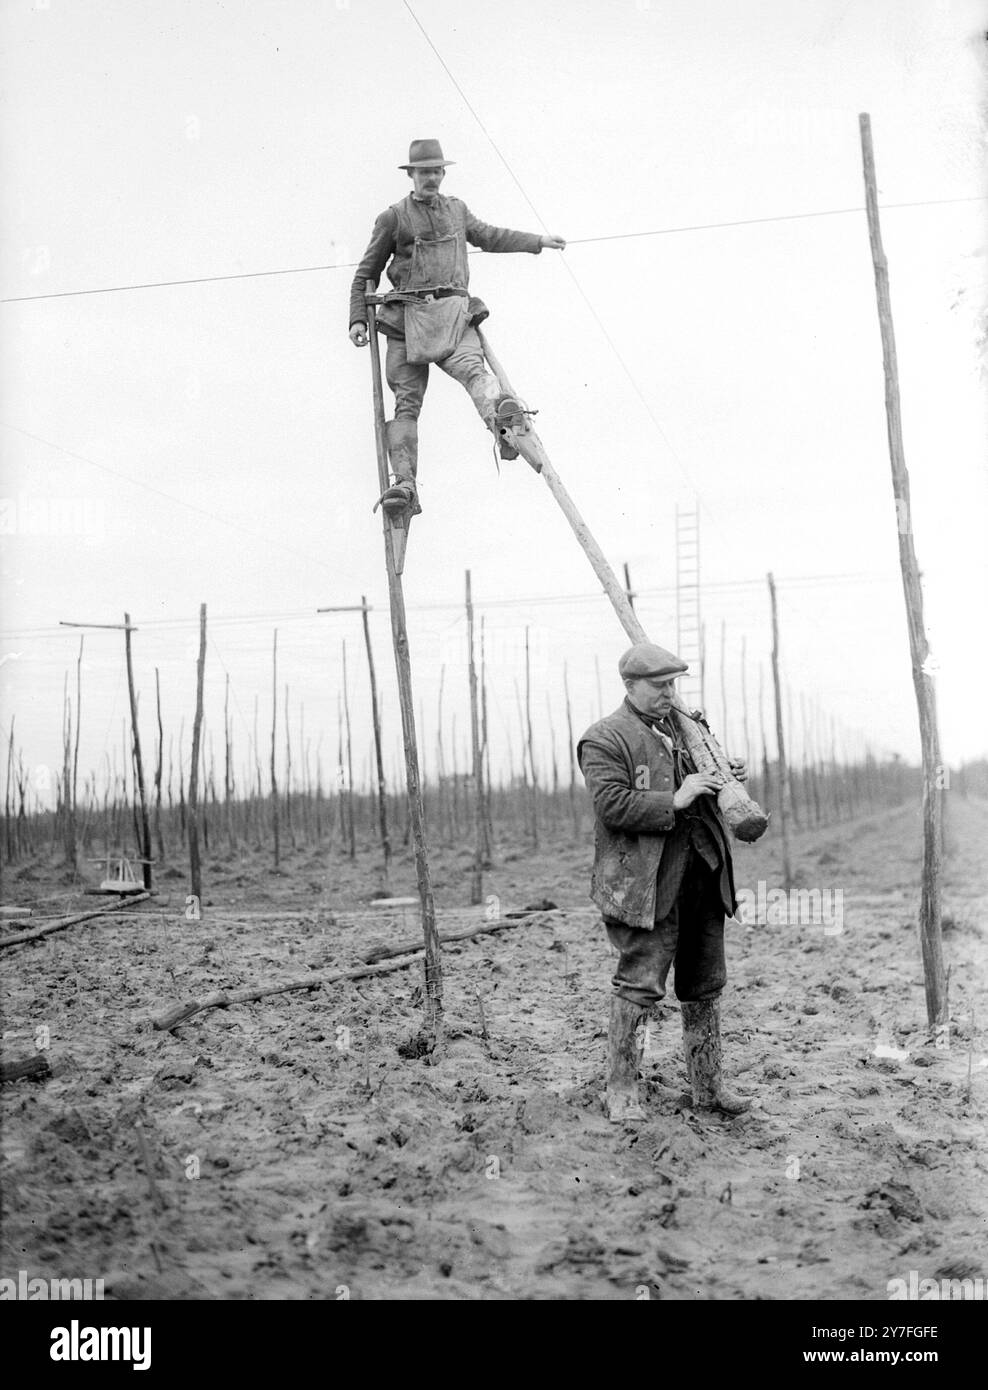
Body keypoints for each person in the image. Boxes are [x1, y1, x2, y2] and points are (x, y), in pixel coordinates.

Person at [577, 641, 753, 1124]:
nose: (668, 693)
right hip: (646, 883)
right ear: (630, 686)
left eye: (673, 683)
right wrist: (674, 798)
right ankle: (621, 1089)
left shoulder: (690, 728)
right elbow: (611, 805)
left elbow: (714, 790)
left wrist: (726, 775)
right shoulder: (605, 737)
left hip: (703, 875)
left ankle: (708, 1086)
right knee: (639, 985)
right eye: (658, 686)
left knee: (704, 984)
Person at [348, 139, 566, 515]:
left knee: (474, 372)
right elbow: (365, 274)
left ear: (443, 174)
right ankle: (404, 483)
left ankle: (505, 425)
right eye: (424, 172)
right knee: (406, 403)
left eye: (436, 171)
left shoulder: (457, 211)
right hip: (405, 321)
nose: (430, 178)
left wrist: (538, 242)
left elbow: (491, 237)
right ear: (411, 175)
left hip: (452, 315)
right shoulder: (393, 218)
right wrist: (356, 319)